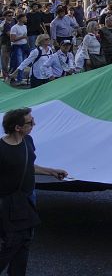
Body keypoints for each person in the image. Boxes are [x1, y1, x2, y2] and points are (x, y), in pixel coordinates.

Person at [0, 107, 68, 275]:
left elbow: (28, 165)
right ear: (17, 127)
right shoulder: (1, 148)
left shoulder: (28, 141)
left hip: (28, 198)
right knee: (11, 242)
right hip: (7, 202)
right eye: (30, 122)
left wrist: (51, 171)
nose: (34, 124)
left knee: (25, 241)